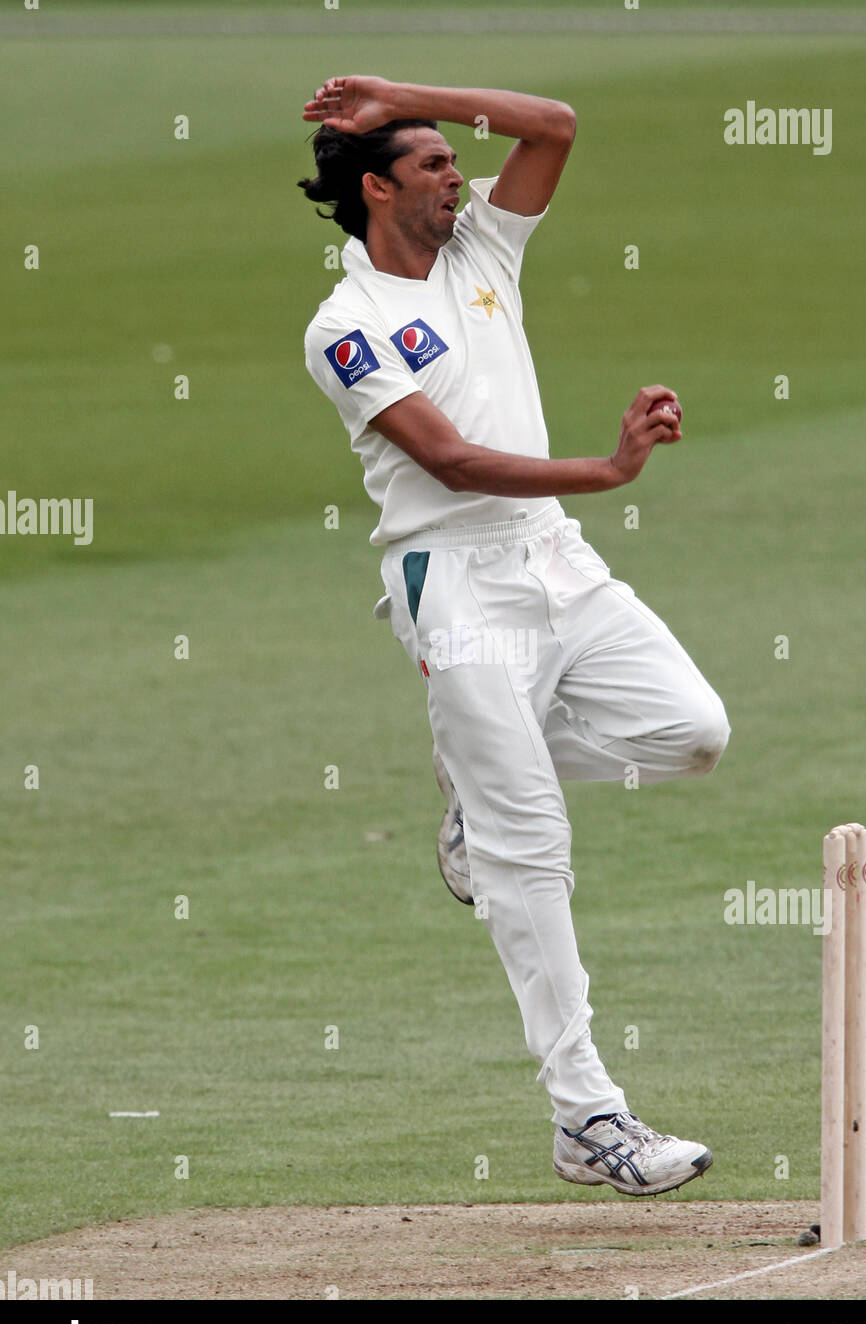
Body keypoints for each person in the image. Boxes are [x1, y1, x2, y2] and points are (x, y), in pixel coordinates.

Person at [300, 76, 730, 1197]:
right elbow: (448, 462)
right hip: (454, 582)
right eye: (433, 162)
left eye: (457, 160)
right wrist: (609, 470)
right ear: (376, 187)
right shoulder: (344, 326)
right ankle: (587, 1115)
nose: (460, 174)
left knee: (691, 733)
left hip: (552, 558)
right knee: (529, 848)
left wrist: (399, 93)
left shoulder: (482, 245)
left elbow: (555, 123)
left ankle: (477, 782)